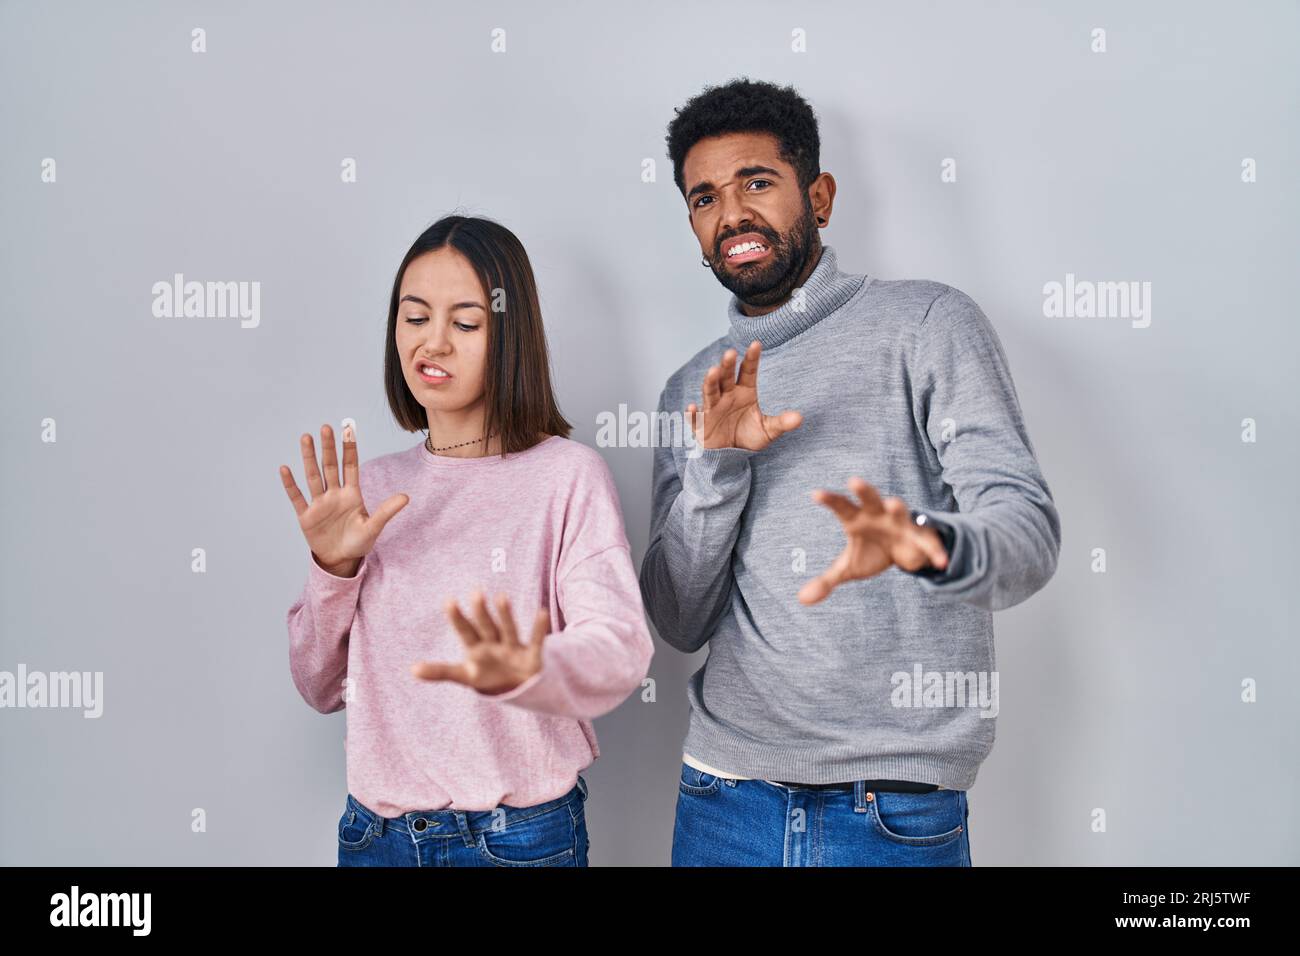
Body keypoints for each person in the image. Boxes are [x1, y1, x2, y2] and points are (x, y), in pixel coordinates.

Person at [640, 78, 1062, 866]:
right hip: (724, 801)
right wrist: (718, 468)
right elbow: (679, 618)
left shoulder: (928, 324)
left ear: (820, 197)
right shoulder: (691, 390)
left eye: (756, 183)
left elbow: (1028, 538)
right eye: (704, 198)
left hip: (895, 812)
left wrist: (926, 541)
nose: (731, 215)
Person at [281, 214, 653, 867]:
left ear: (511, 336)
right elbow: (319, 688)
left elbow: (621, 649)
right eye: (415, 317)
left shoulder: (566, 477)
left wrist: (535, 668)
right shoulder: (370, 490)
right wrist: (333, 569)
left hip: (516, 841)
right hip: (377, 841)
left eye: (466, 323)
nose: (433, 342)